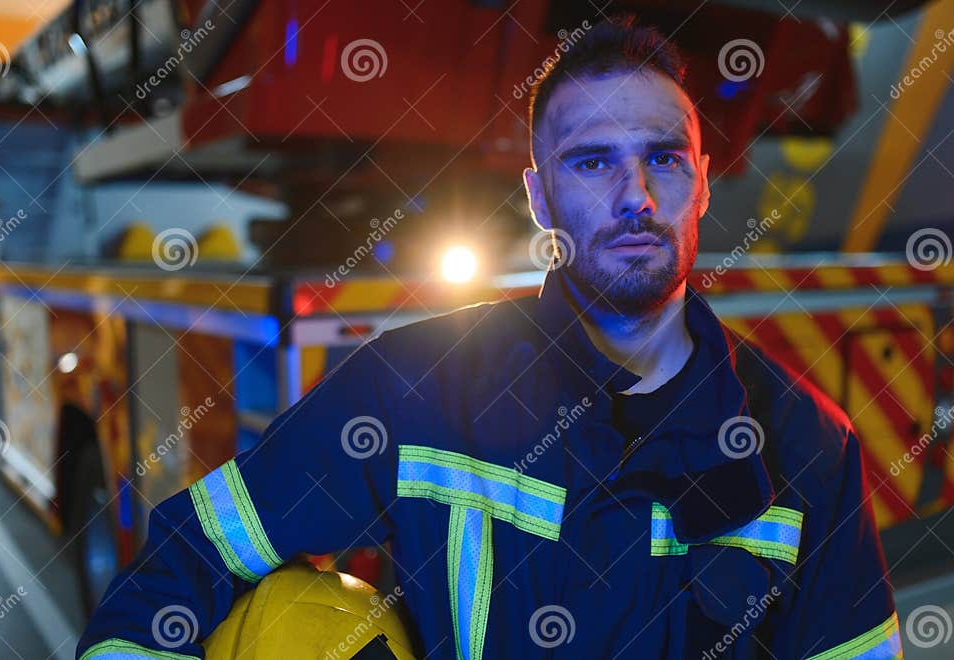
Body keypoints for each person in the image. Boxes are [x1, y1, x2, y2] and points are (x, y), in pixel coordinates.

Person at [78, 13, 901, 659]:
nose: (637, 197)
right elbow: (194, 552)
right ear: (539, 198)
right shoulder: (413, 387)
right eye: (592, 163)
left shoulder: (809, 448)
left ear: (702, 183)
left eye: (664, 159)